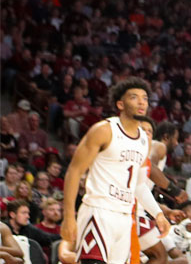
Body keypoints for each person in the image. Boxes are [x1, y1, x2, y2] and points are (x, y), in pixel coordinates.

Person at [60, 77, 169, 264]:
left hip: (125, 218)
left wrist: (158, 213)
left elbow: (138, 185)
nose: (141, 102)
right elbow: (74, 172)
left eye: (144, 98)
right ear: (120, 104)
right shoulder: (104, 130)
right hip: (98, 211)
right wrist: (68, 216)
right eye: (134, 97)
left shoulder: (144, 140)